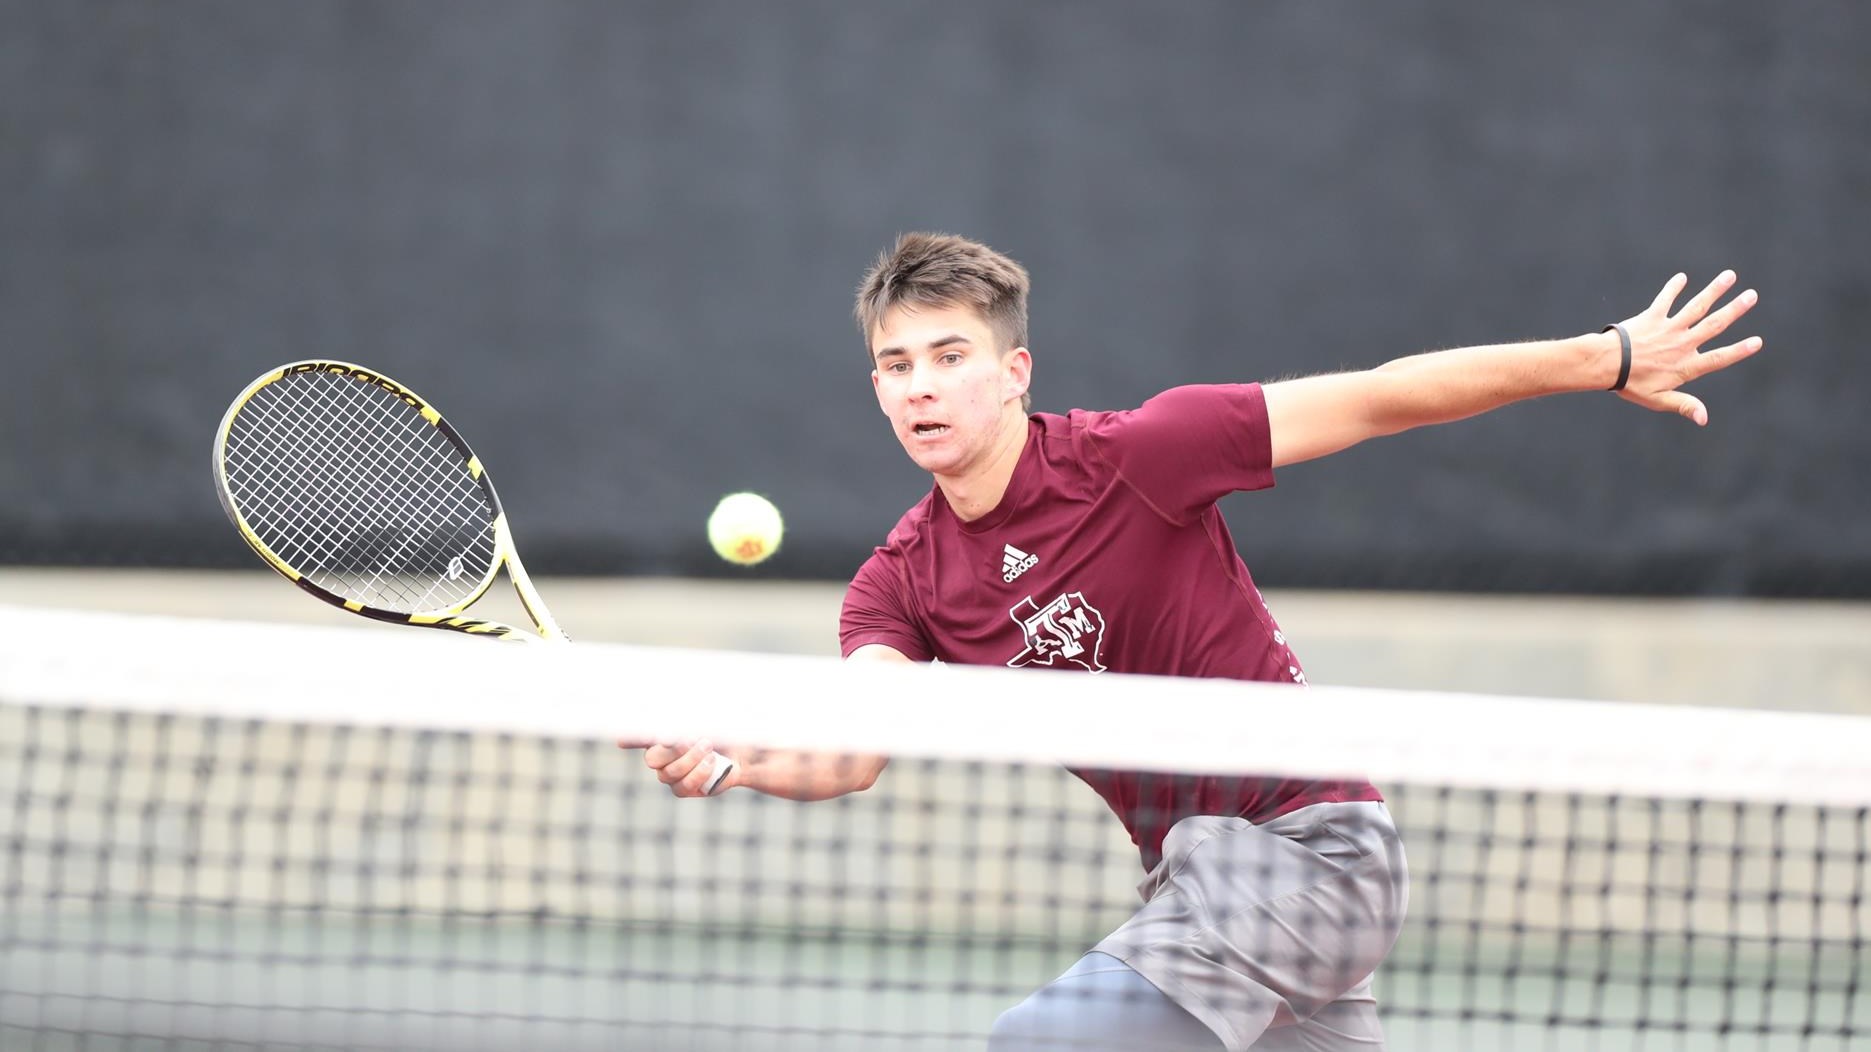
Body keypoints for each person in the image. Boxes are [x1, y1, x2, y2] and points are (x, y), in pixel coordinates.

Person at [629, 233, 1761, 1050]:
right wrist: (736, 754)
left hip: (1306, 854)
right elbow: (854, 742)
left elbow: (1378, 398)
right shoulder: (902, 581)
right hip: (1198, 887)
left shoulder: (1142, 454)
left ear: (1012, 370)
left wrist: (1604, 355)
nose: (921, 385)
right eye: (895, 363)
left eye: (948, 354)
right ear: (874, 387)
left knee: (1041, 1044)